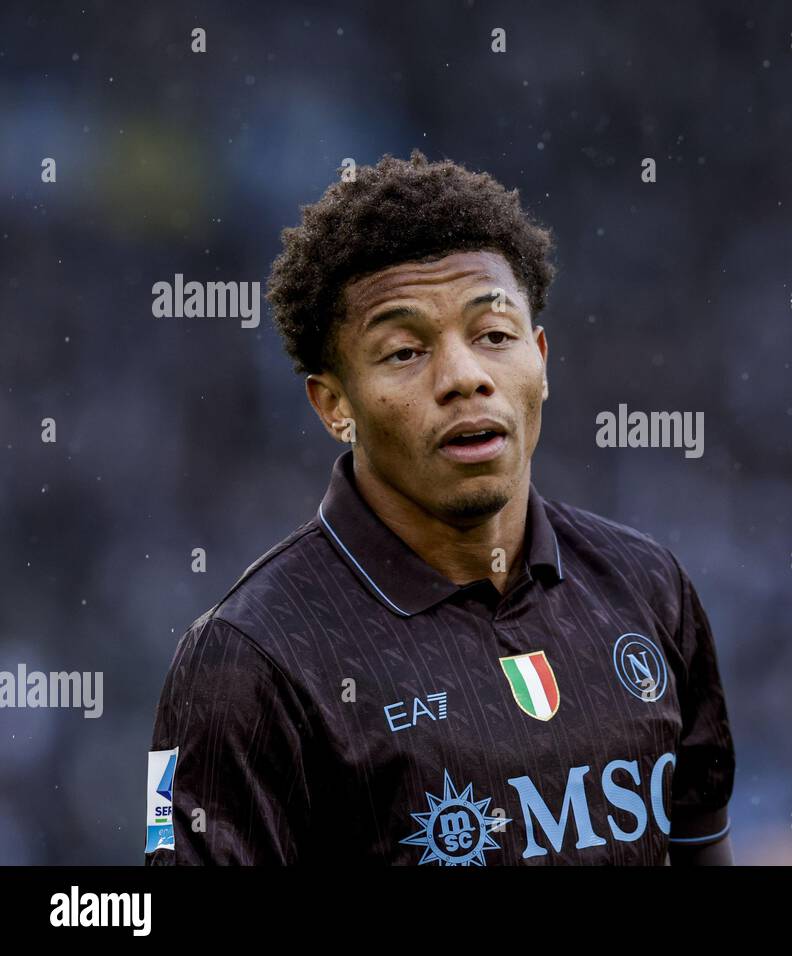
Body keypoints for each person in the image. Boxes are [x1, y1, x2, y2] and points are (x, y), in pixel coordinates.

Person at [144, 150, 735, 865]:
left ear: (540, 361)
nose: (465, 377)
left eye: (494, 335)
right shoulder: (246, 661)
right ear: (334, 405)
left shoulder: (648, 588)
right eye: (404, 352)